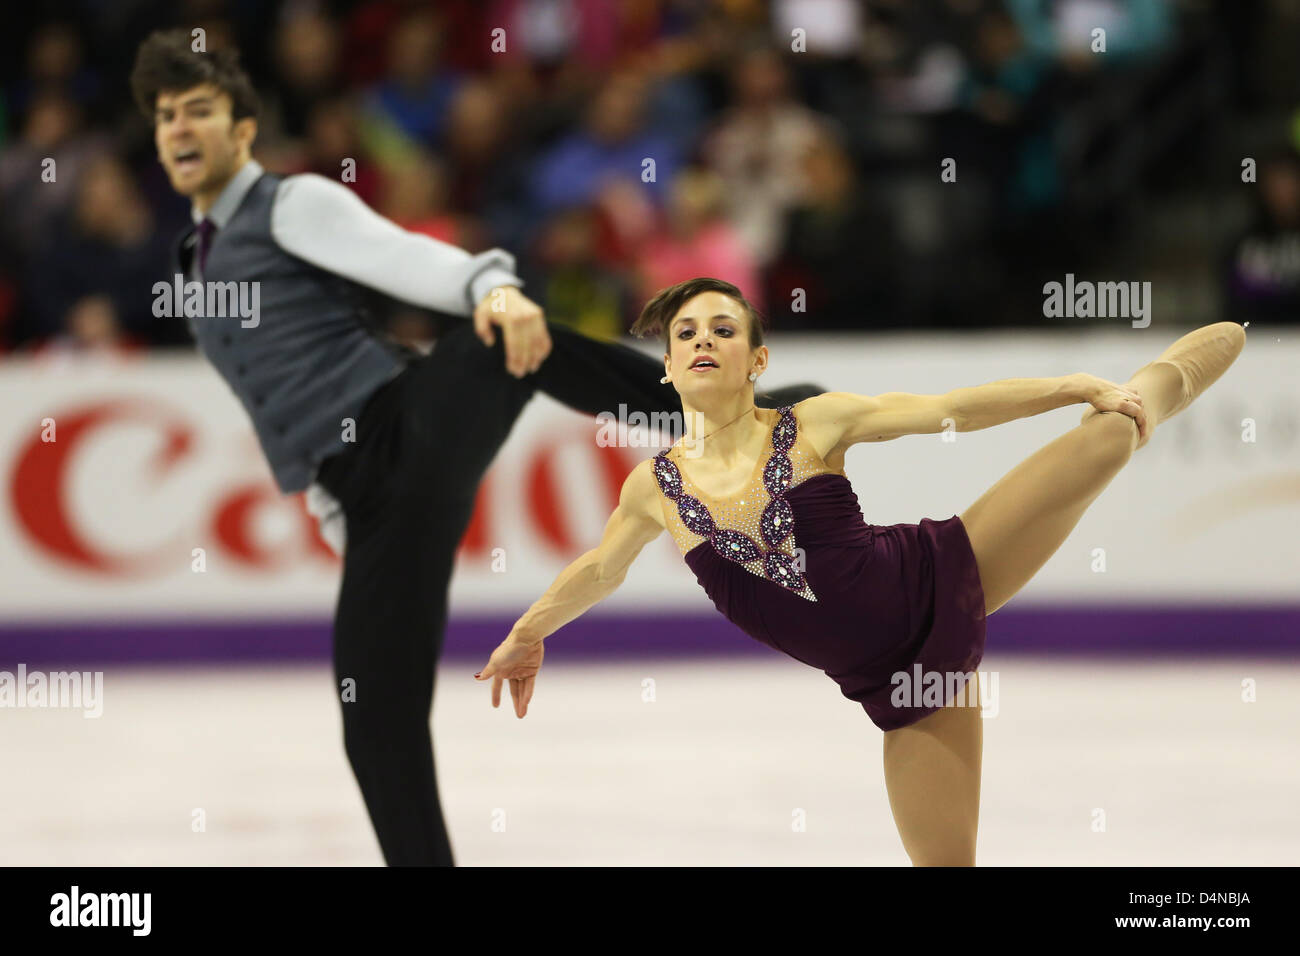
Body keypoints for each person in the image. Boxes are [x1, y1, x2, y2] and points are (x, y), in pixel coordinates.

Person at [129, 33, 819, 866]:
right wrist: (330, 506)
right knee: (375, 720)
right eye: (166, 115)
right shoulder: (191, 259)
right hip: (365, 494)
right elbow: (267, 400)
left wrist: (488, 286)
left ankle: (722, 417)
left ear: (241, 129)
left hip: (401, 419)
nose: (178, 128)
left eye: (198, 110)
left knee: (495, 343)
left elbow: (398, 256)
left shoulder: (288, 202)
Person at [476, 276, 1247, 866]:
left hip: (944, 569)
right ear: (669, 367)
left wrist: (1069, 387)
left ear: (757, 359)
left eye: (724, 328)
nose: (704, 339)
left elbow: (950, 408)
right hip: (901, 682)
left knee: (1111, 431)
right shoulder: (654, 489)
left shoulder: (815, 422)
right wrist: (526, 632)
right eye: (686, 333)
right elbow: (599, 569)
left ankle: (1156, 384)